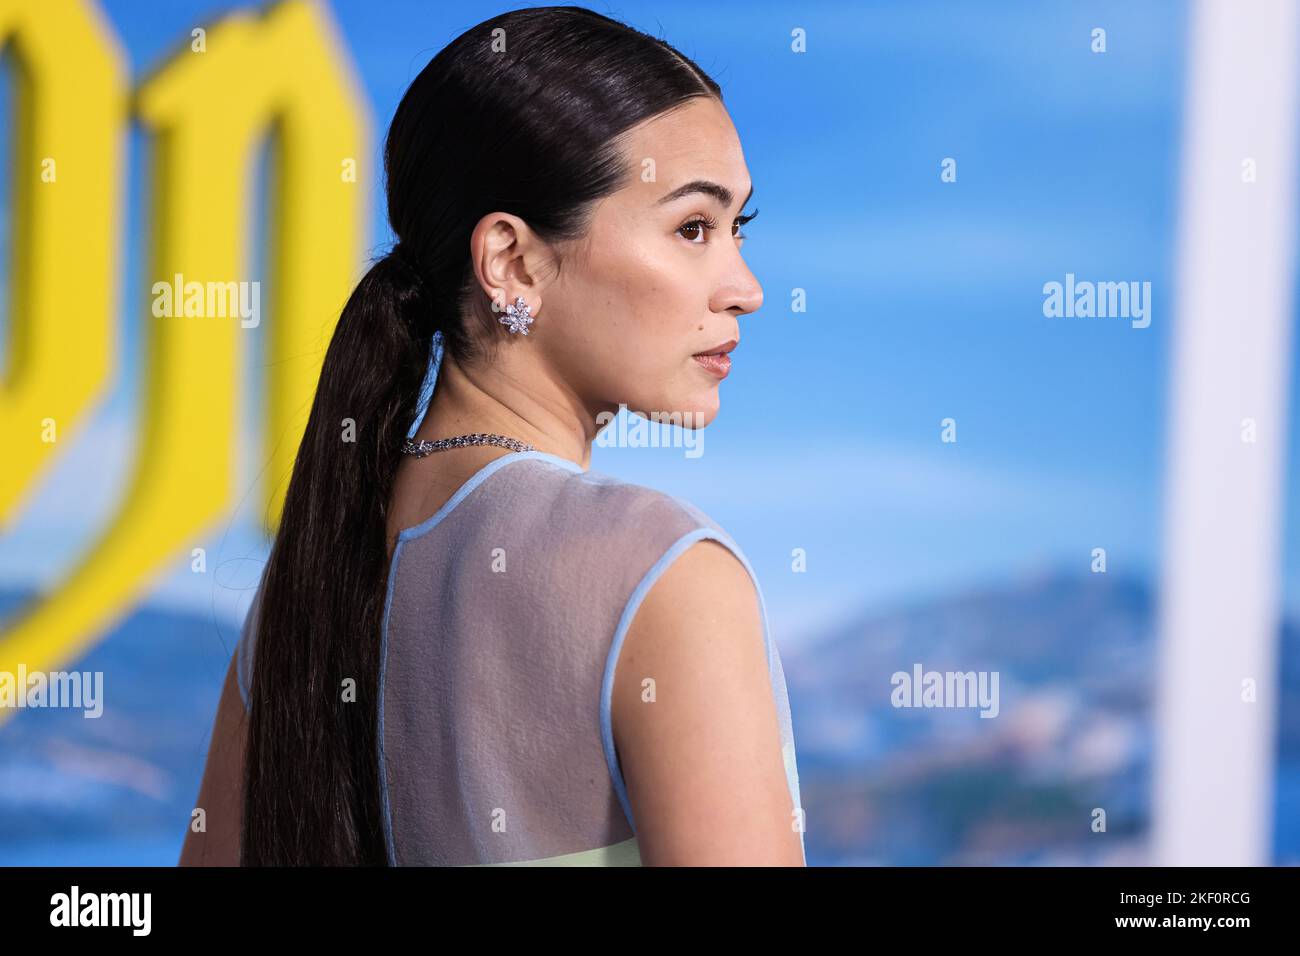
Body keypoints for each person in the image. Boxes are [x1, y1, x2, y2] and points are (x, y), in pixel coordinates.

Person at [179, 4, 804, 867]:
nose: (745, 287)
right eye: (693, 227)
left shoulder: (306, 589)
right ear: (510, 262)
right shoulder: (665, 572)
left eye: (740, 229)